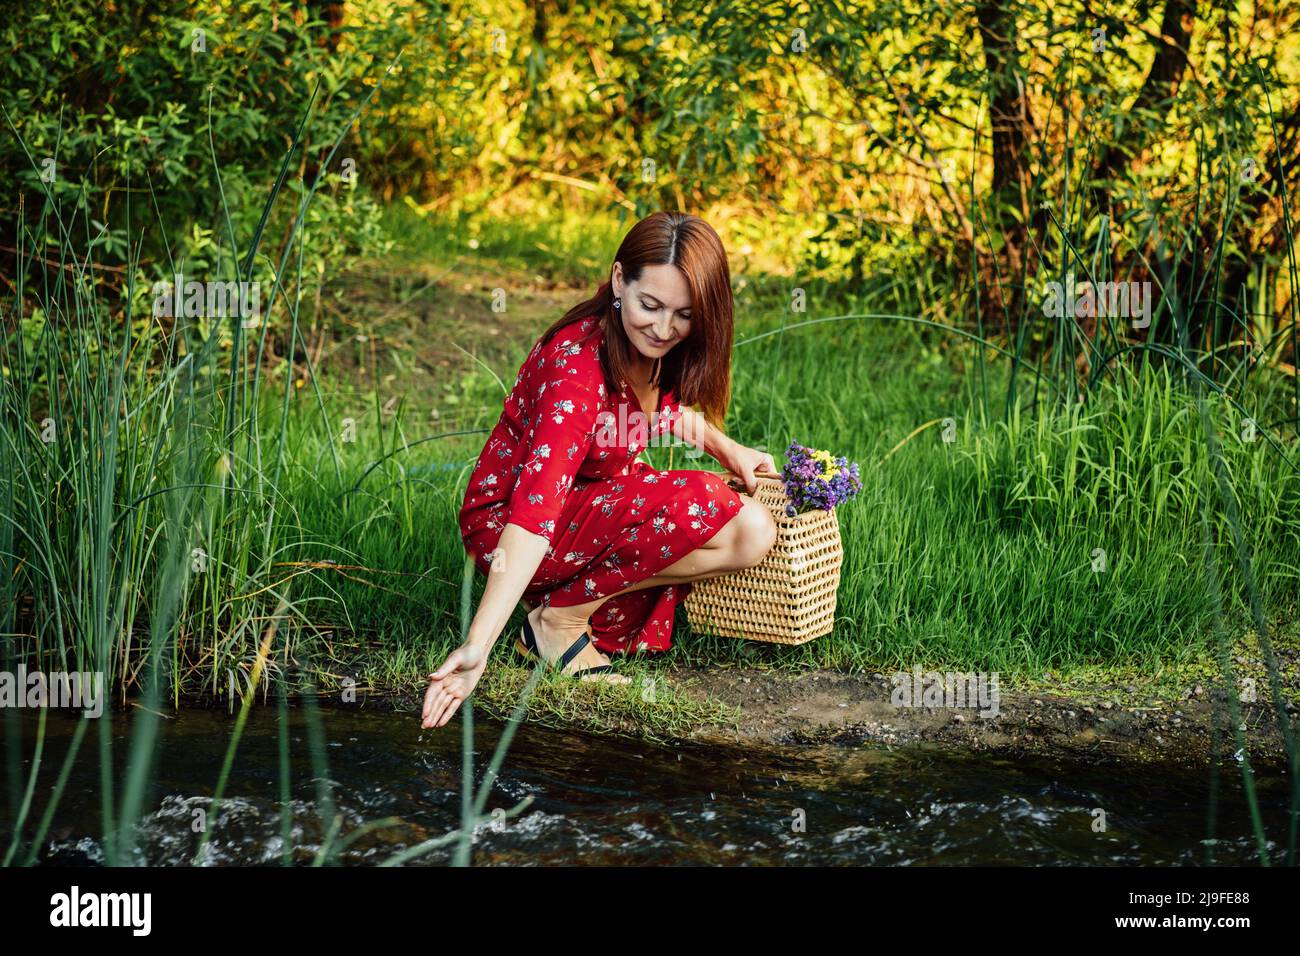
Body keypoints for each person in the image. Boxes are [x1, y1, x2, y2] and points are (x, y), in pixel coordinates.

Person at [421, 211, 779, 729]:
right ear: (618, 281)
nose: (663, 328)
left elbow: (654, 409)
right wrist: (477, 646)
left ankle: (564, 609)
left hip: (589, 500)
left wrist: (727, 449)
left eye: (684, 314)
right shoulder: (575, 369)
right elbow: (532, 515)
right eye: (649, 305)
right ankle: (557, 621)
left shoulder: (654, 346)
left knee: (747, 533)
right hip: (509, 525)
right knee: (721, 511)